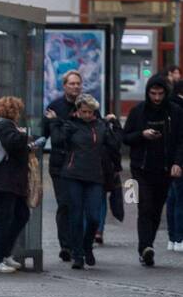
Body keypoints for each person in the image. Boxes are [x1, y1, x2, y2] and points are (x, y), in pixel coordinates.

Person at [50, 95, 122, 269]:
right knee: (75, 215)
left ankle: (87, 245)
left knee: (93, 217)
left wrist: (116, 125)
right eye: (83, 112)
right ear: (78, 110)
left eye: (90, 112)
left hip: (95, 177)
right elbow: (57, 141)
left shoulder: (101, 126)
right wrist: (55, 123)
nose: (87, 115)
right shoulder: (71, 125)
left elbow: (115, 144)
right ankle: (78, 254)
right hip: (73, 175)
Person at [121, 73, 183, 266]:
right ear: (147, 93)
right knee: (145, 207)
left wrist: (178, 163)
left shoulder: (175, 112)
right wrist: (142, 134)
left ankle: (148, 244)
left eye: (160, 94)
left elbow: (181, 140)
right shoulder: (138, 111)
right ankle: (145, 247)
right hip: (142, 168)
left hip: (165, 169)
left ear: (166, 93)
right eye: (153, 94)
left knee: (156, 210)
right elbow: (126, 137)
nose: (157, 98)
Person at [0, 96, 33, 273]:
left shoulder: (2, 125)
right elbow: (12, 143)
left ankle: (4, 253)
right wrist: (26, 137)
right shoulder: (5, 125)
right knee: (5, 219)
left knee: (21, 214)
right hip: (6, 180)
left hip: (12, 180)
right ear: (13, 110)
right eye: (18, 110)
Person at [42, 70, 82, 261]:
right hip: (60, 164)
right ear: (64, 86)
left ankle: (78, 243)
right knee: (65, 204)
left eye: (77, 84)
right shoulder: (55, 107)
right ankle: (66, 245)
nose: (75, 87)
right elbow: (47, 135)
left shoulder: (87, 106)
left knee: (78, 205)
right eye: (71, 83)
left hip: (81, 164)